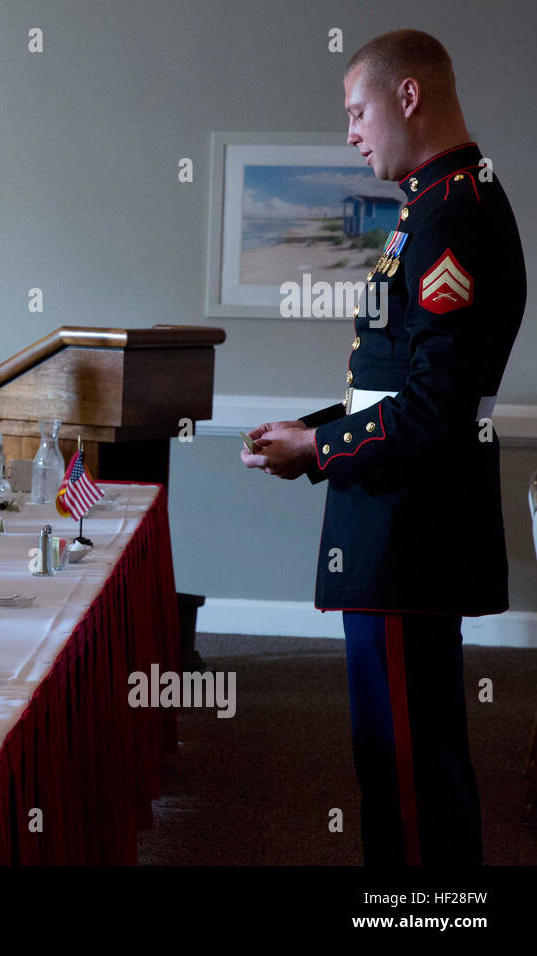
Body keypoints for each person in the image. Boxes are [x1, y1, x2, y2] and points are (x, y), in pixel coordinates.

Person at [241, 30, 525, 865]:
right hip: (401, 524)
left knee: (408, 773)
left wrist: (320, 449)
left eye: (358, 111)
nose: (353, 132)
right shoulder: (433, 203)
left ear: (409, 97)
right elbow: (398, 381)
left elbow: (435, 407)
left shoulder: (455, 213)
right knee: (404, 760)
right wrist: (313, 428)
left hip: (411, 532)